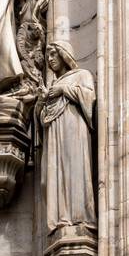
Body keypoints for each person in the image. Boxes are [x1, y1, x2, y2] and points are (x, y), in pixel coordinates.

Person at [40, 43, 97, 237]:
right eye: (48, 56)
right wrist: (43, 101)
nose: (50, 59)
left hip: (74, 129)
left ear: (64, 55)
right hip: (55, 134)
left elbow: (89, 97)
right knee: (54, 174)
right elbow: (43, 118)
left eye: (54, 54)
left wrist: (64, 90)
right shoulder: (53, 85)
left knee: (76, 169)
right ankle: (60, 218)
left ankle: (81, 217)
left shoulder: (82, 75)